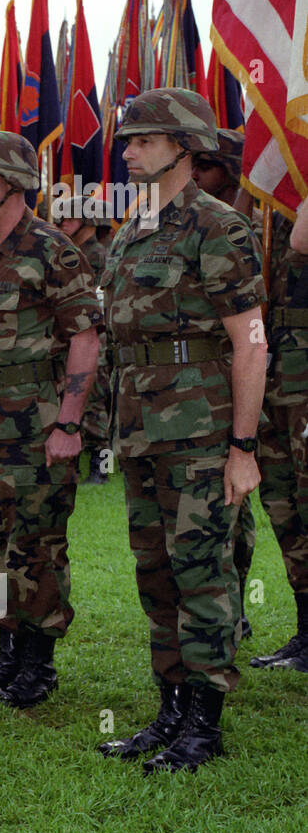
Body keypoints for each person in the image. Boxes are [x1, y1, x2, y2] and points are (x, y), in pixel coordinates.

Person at [96, 88, 266, 773]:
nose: (129, 149)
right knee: (155, 571)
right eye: (128, 139)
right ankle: (169, 709)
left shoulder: (216, 226)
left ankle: (205, 724)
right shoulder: (132, 227)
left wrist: (244, 448)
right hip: (140, 432)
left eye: (142, 139)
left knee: (203, 574)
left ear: (182, 146)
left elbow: (250, 341)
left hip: (200, 433)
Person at [0, 132, 102, 707]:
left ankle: (39, 666)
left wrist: (69, 423)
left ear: (14, 180)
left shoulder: (50, 250)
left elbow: (85, 336)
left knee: (36, 545)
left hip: (34, 424)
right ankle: (8, 654)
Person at [193, 130, 259, 637]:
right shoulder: (190, 225)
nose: (198, 175)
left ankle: (232, 605)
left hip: (256, 375)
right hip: (209, 386)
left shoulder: (240, 226)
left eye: (209, 166)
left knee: (240, 502)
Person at [245, 156, 308, 673]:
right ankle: (306, 632)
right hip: (280, 368)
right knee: (283, 500)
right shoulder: (270, 209)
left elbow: (303, 243)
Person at [55, 186, 112, 485]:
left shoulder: (98, 256)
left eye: (69, 219)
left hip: (95, 336)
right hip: (71, 334)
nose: (62, 224)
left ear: (89, 222)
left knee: (94, 400)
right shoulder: (70, 254)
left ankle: (101, 463)